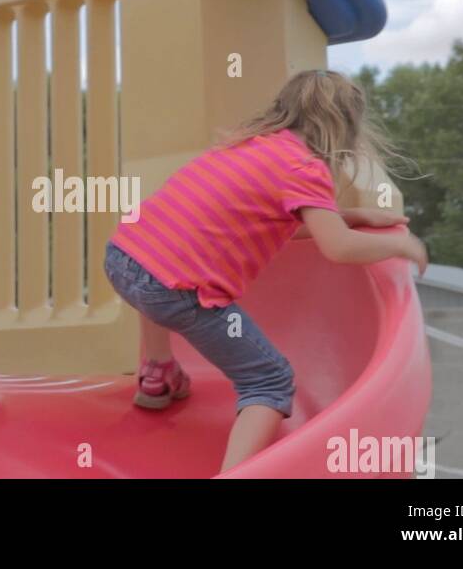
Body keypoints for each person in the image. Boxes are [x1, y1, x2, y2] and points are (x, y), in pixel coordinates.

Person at [104, 70, 427, 472]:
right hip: (173, 291)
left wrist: (353, 214)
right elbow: (339, 247)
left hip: (123, 255)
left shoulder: (247, 144)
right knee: (270, 380)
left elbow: (279, 224)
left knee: (156, 270)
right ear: (343, 125)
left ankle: (157, 371)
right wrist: (401, 245)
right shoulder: (305, 167)